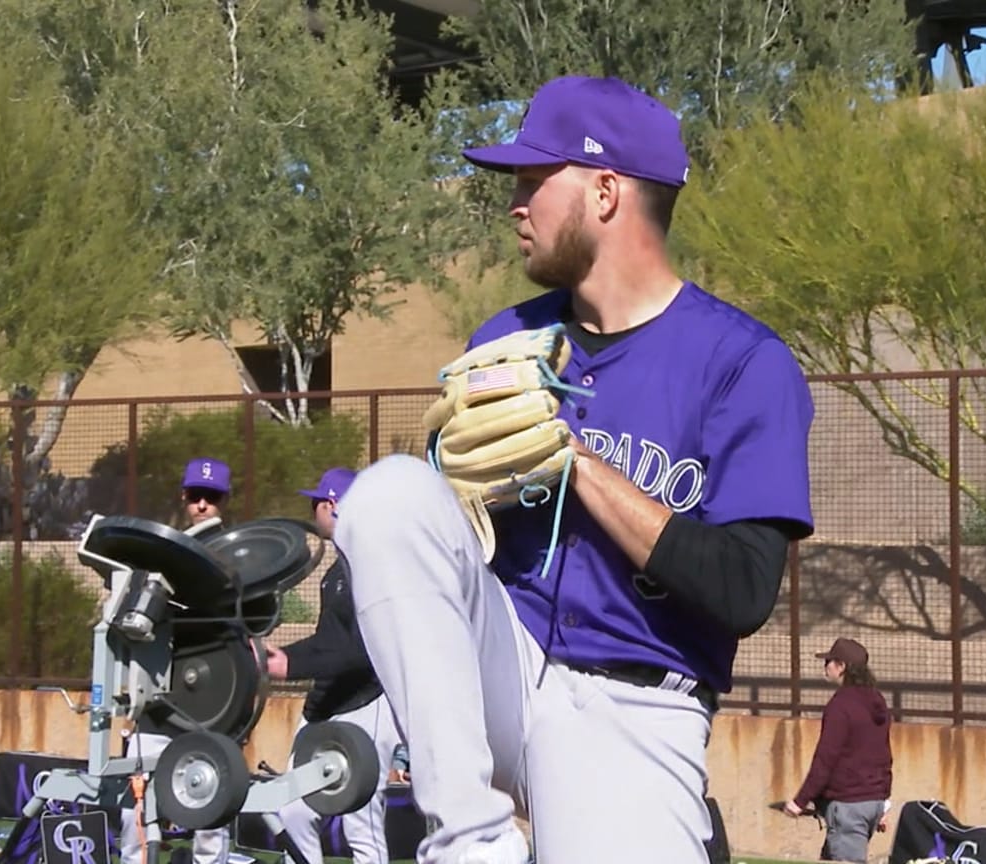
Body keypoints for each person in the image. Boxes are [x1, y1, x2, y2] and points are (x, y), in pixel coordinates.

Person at [332, 75, 815, 864]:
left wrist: (576, 462)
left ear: (605, 191)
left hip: (634, 705)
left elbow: (742, 590)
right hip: (503, 665)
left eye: (532, 180)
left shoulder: (741, 362)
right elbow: (433, 547)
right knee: (388, 495)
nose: (514, 205)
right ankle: (470, 844)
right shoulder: (505, 340)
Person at [264, 467, 402, 864]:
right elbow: (329, 644)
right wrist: (284, 657)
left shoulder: (373, 564)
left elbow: (362, 650)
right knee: (293, 809)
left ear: (333, 505)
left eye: (317, 503)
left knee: (362, 824)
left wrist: (292, 663)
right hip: (329, 705)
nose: (314, 511)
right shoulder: (336, 570)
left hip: (367, 702)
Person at [116, 457, 237, 864]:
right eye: (196, 496)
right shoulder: (166, 552)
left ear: (224, 500)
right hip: (161, 693)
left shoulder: (241, 553)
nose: (202, 505)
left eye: (212, 497)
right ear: (184, 496)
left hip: (213, 697)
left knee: (210, 806)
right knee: (134, 798)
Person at [785, 637, 894, 864]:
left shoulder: (840, 705)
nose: (826, 666)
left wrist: (800, 801)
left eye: (829, 661)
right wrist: (882, 803)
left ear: (842, 666)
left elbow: (826, 759)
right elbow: (883, 755)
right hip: (872, 801)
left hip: (848, 806)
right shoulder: (877, 701)